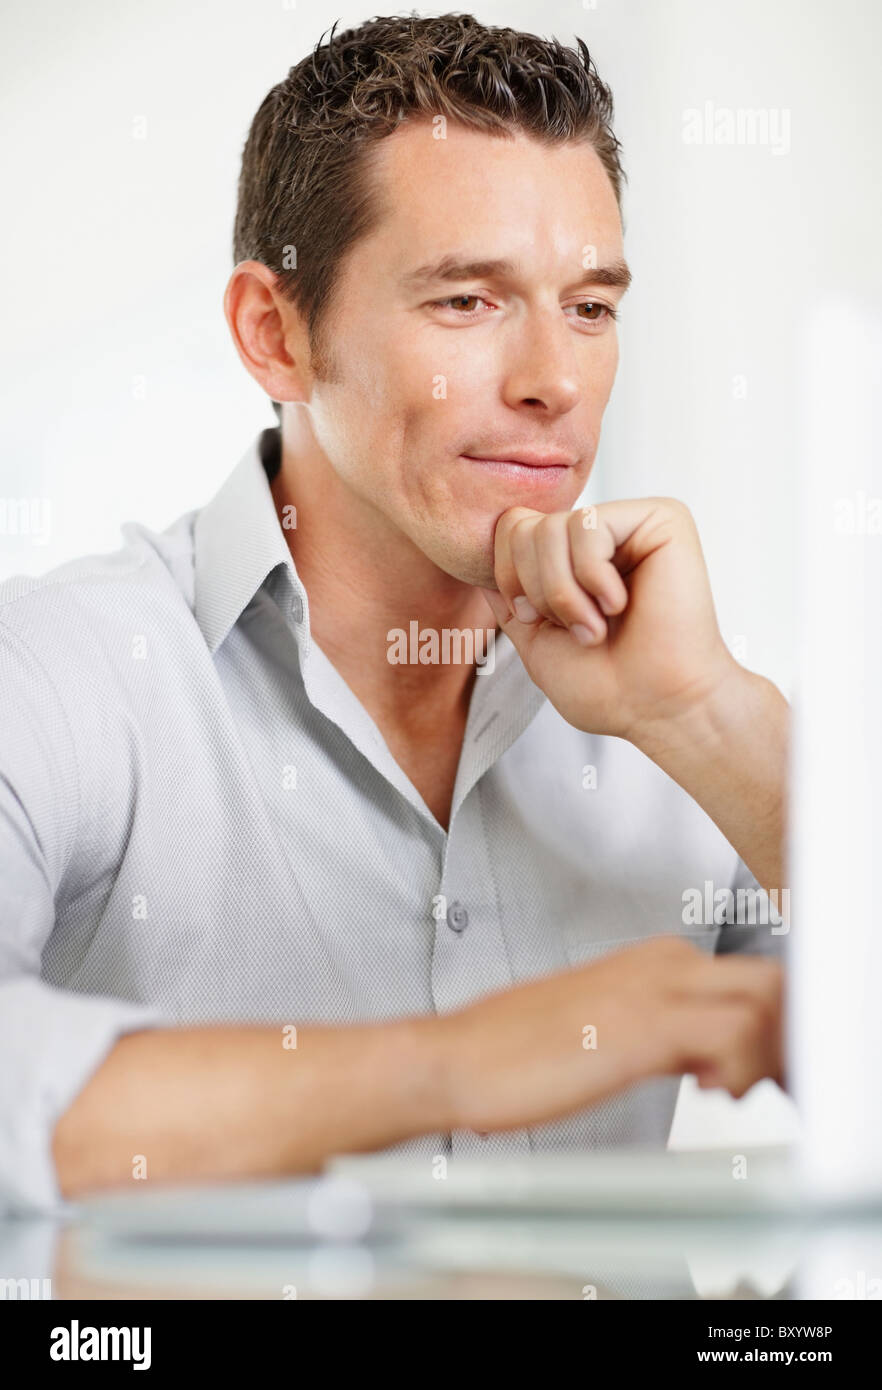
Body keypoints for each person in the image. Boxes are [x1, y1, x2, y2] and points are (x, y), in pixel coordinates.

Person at [0, 14, 788, 1214]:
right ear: (276, 333)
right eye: (468, 300)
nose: (556, 382)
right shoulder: (64, 675)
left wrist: (711, 718)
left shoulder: (684, 715)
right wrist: (462, 1061)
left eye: (589, 307)